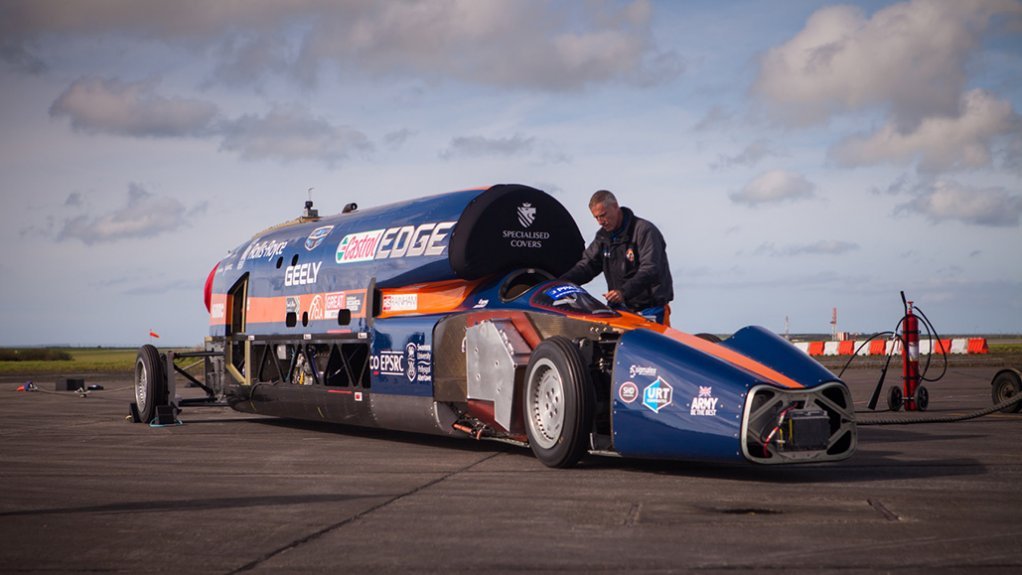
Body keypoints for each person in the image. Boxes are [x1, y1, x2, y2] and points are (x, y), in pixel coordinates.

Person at [560, 190, 674, 325]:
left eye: (603, 215)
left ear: (615, 207)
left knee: (654, 346)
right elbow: (587, 266)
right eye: (596, 218)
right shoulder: (603, 238)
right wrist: (560, 282)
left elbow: (650, 269)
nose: (600, 222)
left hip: (650, 309)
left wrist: (623, 292)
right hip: (619, 310)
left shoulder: (644, 230)